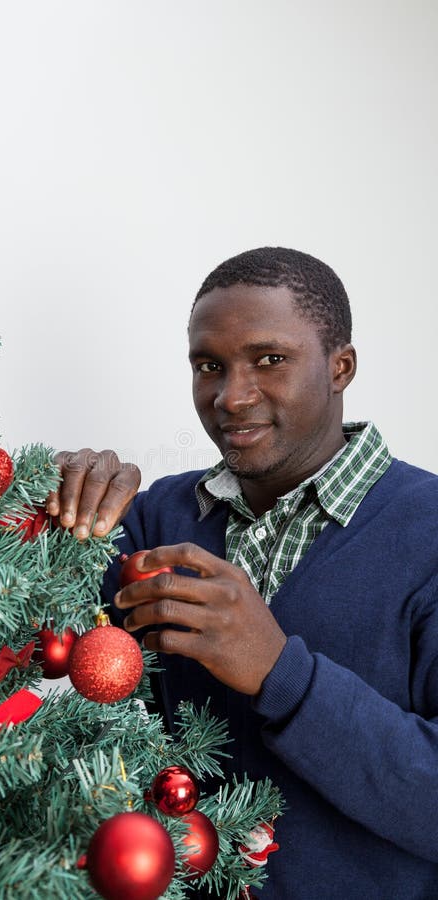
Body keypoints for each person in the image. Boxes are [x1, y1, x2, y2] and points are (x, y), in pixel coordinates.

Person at [46, 247, 438, 899]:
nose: (232, 396)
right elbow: (10, 617)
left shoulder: (426, 533)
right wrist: (45, 499)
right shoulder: (156, 520)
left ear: (340, 367)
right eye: (209, 366)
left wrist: (280, 672)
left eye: (269, 360)